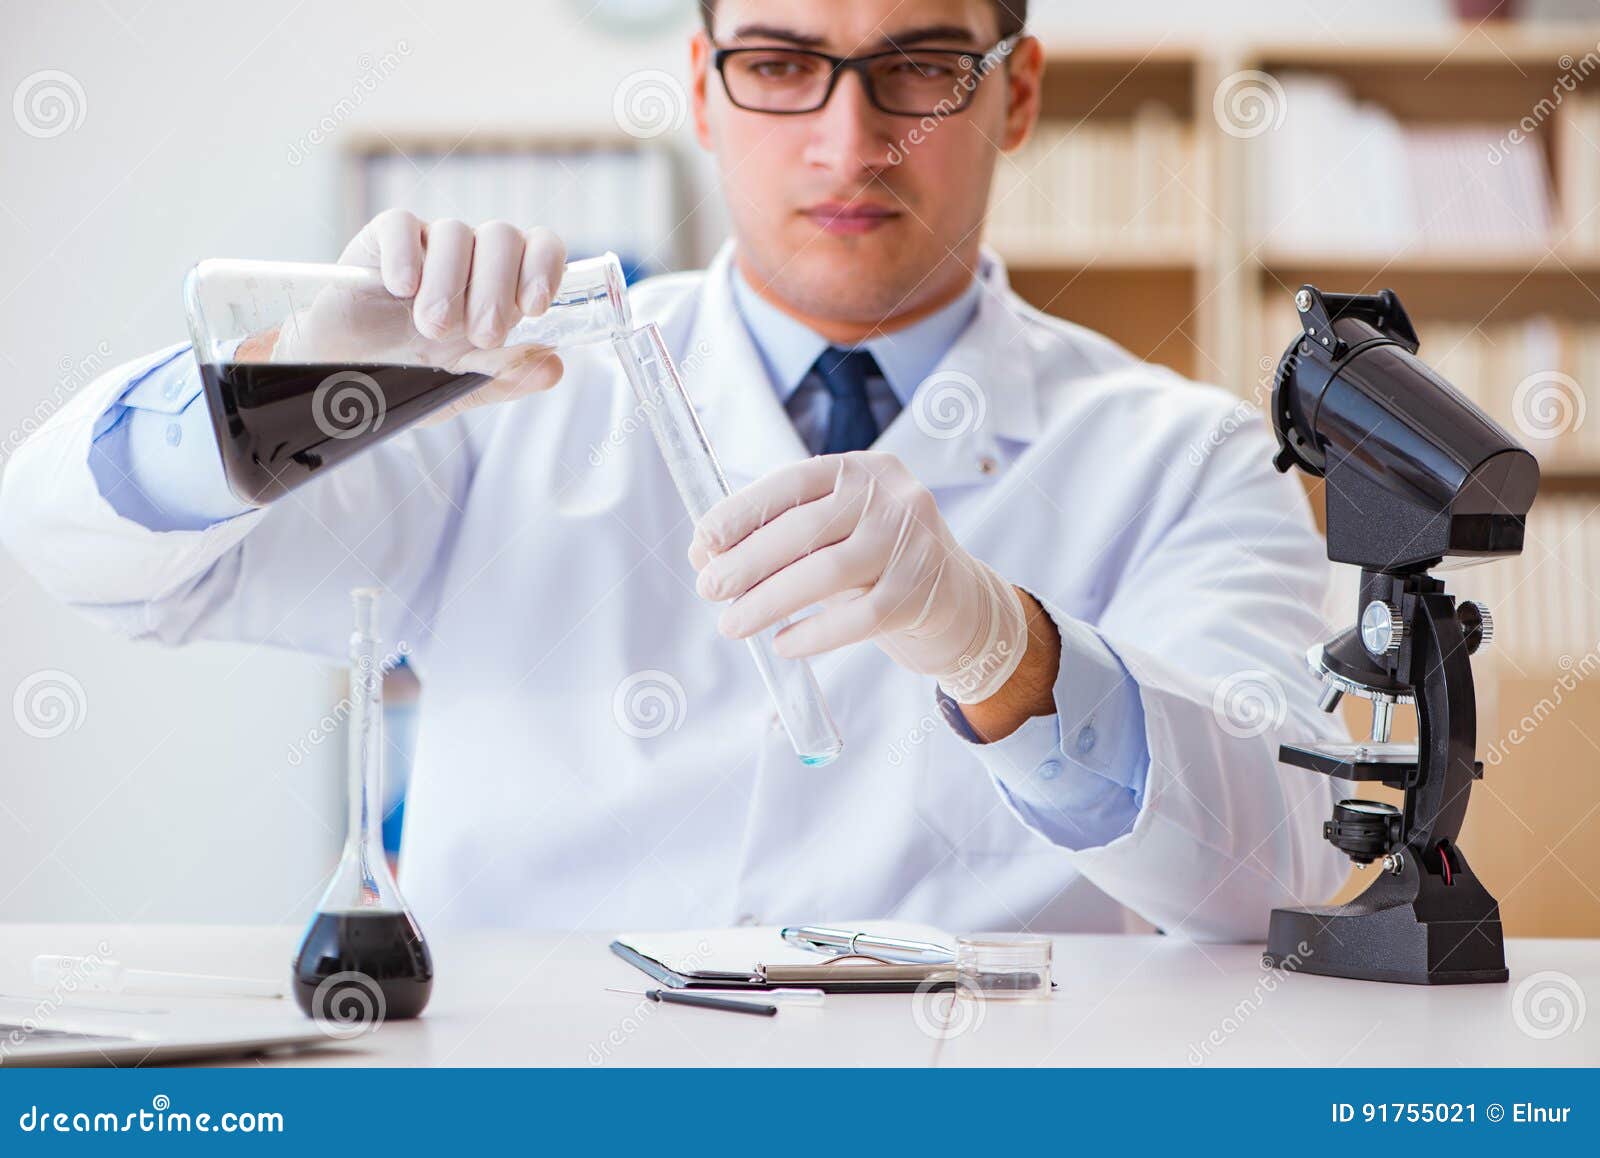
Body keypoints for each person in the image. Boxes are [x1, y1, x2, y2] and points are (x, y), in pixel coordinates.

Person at [0, 0, 1349, 938]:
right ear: (701, 87)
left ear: (1022, 92)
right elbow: (80, 551)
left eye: (924, 66)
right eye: (778, 64)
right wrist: (299, 382)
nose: (846, 140)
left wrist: (1007, 650)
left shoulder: (1187, 453)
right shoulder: (502, 391)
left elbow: (1284, 861)